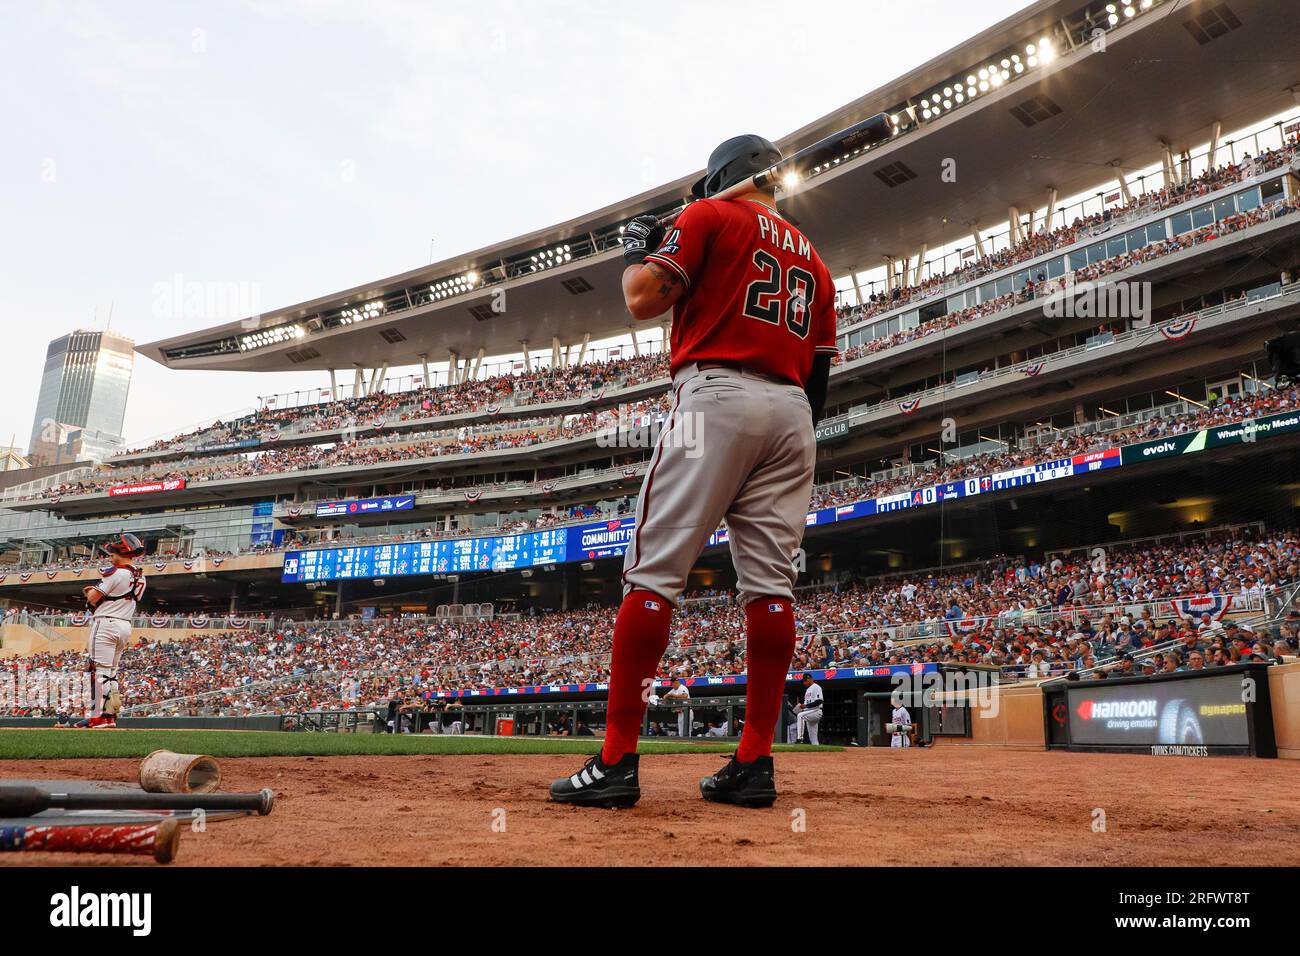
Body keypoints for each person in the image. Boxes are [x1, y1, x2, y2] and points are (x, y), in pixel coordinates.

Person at [550, 133, 837, 810]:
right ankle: (754, 762)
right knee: (770, 588)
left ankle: (617, 761)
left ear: (721, 179)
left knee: (652, 572)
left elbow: (642, 297)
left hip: (716, 396)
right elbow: (820, 375)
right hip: (795, 413)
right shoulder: (816, 260)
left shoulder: (709, 215)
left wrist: (636, 246)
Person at [76, 532, 147, 729]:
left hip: (106, 624)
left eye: (113, 553)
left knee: (99, 671)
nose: (111, 557)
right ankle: (110, 717)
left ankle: (98, 716)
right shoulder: (141, 576)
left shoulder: (116, 572)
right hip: (125, 625)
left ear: (121, 553)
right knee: (111, 673)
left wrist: (89, 590)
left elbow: (92, 598)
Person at [794, 673, 824, 745]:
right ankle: (817, 750)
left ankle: (799, 738)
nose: (804, 683)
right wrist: (801, 707)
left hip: (816, 711)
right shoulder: (807, 690)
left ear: (809, 679)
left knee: (800, 716)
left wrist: (806, 706)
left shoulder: (816, 687)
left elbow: (819, 701)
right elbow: (807, 704)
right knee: (813, 739)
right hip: (810, 712)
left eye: (805, 681)